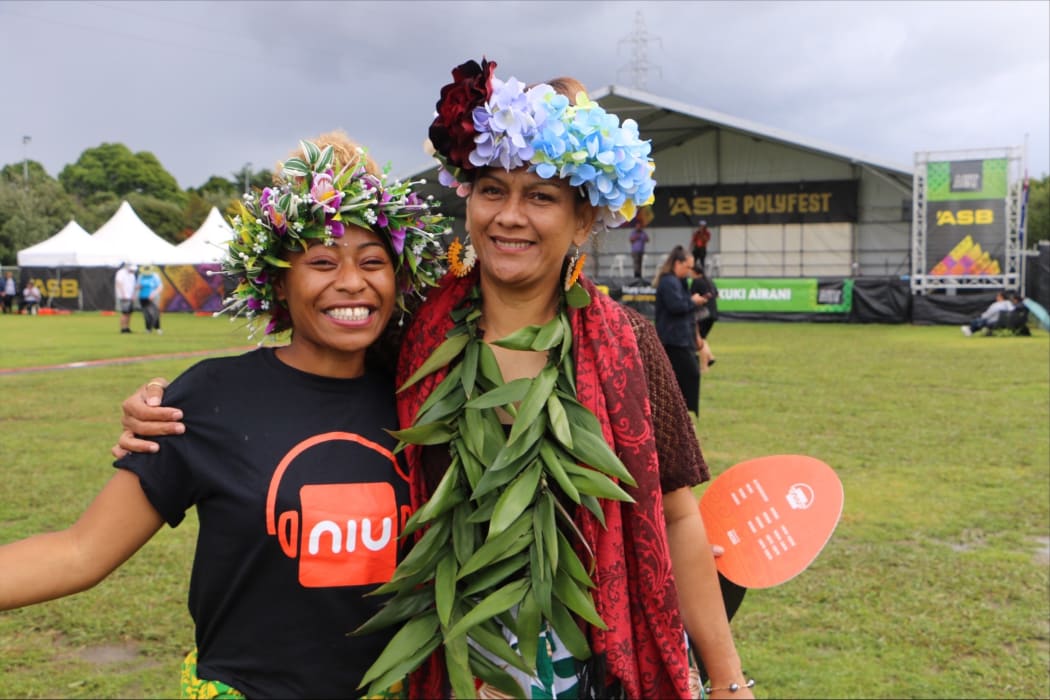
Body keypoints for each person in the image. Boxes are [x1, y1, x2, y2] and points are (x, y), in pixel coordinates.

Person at [117, 61, 753, 700]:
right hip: (443, 667)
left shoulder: (629, 346)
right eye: (491, 190)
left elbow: (676, 517)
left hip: (588, 665)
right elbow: (299, 387)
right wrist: (174, 412)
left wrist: (727, 682)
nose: (510, 216)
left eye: (541, 196)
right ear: (467, 198)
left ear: (584, 219)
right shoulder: (412, 331)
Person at [1, 131, 448, 699]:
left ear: (398, 277)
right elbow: (81, 552)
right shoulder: (210, 397)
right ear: (278, 280)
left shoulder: (426, 397)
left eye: (372, 261)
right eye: (322, 261)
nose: (352, 282)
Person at [654, 246, 706, 415]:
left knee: (682, 376)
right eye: (688, 267)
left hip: (681, 338)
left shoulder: (678, 282)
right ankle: (683, 411)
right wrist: (693, 301)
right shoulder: (669, 282)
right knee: (689, 373)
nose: (690, 271)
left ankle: (680, 412)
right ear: (678, 263)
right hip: (673, 339)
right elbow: (676, 306)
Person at [690, 263, 719, 371]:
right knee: (702, 337)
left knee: (698, 339)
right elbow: (716, 294)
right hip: (713, 314)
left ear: (694, 272)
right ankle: (710, 357)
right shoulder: (709, 281)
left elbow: (691, 297)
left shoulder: (696, 282)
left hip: (702, 314)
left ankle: (705, 366)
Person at [136, 264, 164, 334]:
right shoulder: (141, 276)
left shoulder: (155, 276)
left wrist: (153, 294)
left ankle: (158, 328)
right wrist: (138, 287)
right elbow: (137, 286)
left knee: (154, 313)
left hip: (153, 297)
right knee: (146, 314)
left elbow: (160, 287)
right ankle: (148, 329)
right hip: (142, 297)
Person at [114, 262, 138, 333]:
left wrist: (133, 295)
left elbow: (133, 285)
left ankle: (127, 327)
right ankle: (123, 328)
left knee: (130, 313)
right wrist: (123, 294)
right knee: (125, 313)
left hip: (130, 296)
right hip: (123, 296)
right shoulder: (120, 273)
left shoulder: (132, 275)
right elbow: (119, 283)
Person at [628, 215, 650, 280]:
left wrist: (643, 238)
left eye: (640, 226)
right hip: (635, 251)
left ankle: (639, 275)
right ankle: (636, 275)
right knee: (636, 263)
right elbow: (630, 240)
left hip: (641, 251)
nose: (638, 227)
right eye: (637, 226)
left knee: (640, 263)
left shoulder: (643, 233)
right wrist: (636, 237)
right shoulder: (633, 232)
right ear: (636, 226)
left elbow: (648, 240)